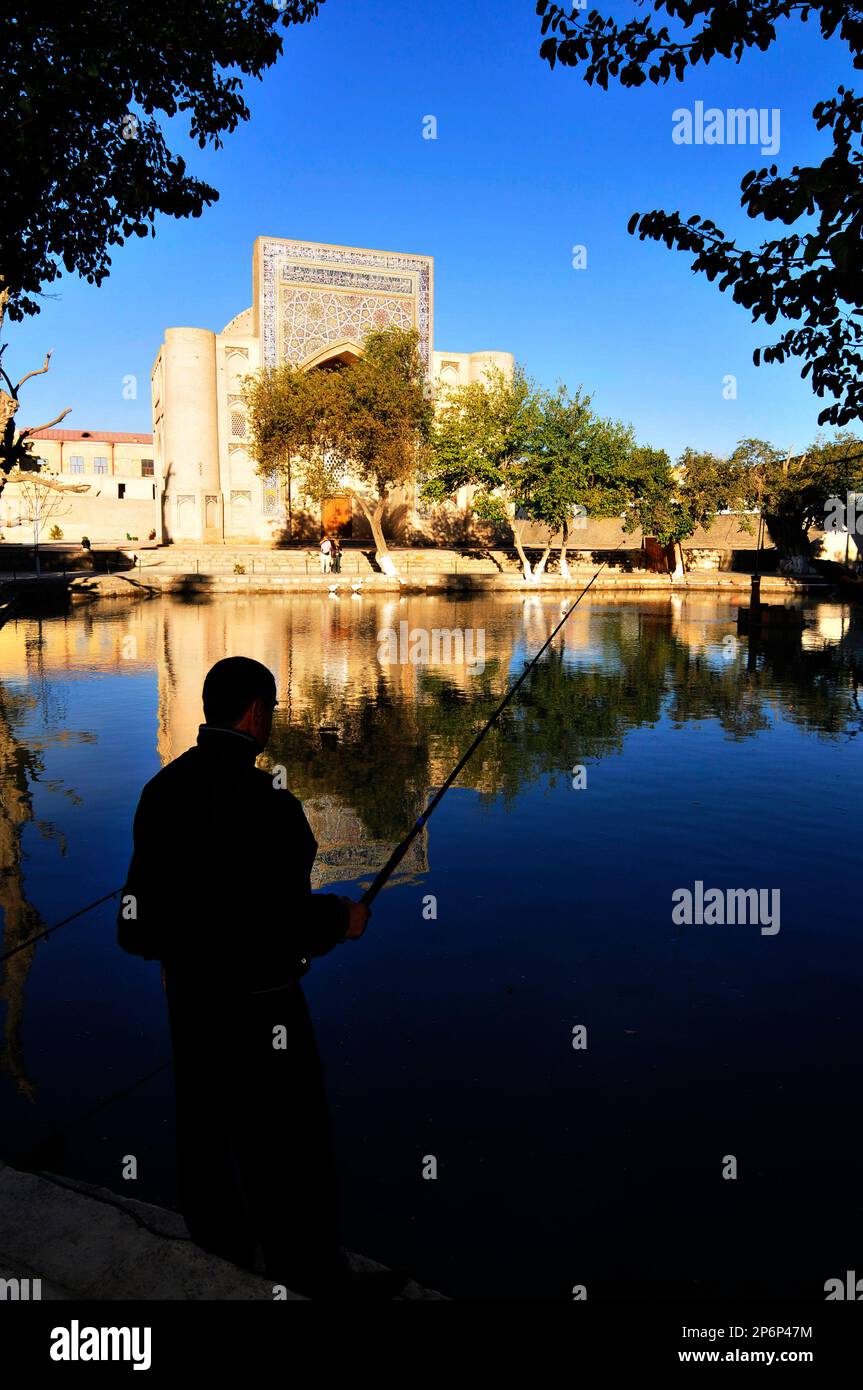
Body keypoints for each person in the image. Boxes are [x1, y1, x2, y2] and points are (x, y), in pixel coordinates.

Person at [117, 656, 405, 1298]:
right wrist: (343, 918)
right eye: (270, 710)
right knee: (290, 1150)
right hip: (264, 1010)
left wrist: (175, 956)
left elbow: (135, 923)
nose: (271, 721)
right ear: (255, 714)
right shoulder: (273, 808)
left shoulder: (159, 794)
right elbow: (280, 925)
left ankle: (222, 1257)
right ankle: (312, 1276)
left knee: (206, 1132)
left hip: (192, 1003)